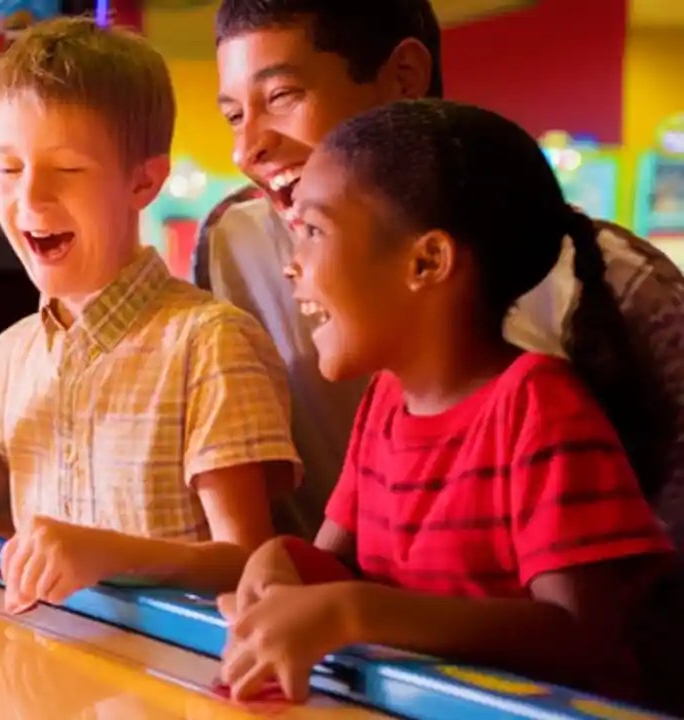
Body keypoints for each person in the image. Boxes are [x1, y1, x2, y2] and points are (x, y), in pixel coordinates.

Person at [216, 100, 677, 712]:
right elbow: (331, 567)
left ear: (426, 261)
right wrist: (281, 563)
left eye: (314, 232)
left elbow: (580, 637)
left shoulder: (538, 407)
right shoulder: (384, 403)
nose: (290, 265)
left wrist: (355, 611)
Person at [0, 17, 301, 613]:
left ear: (143, 181)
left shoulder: (210, 344)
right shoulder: (10, 353)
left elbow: (246, 560)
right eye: (9, 169)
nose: (31, 198)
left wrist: (111, 554)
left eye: (65, 169)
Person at [202, 0, 684, 549]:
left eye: (283, 96)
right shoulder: (229, 245)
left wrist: (357, 608)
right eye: (235, 115)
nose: (248, 148)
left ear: (403, 77)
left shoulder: (614, 288)